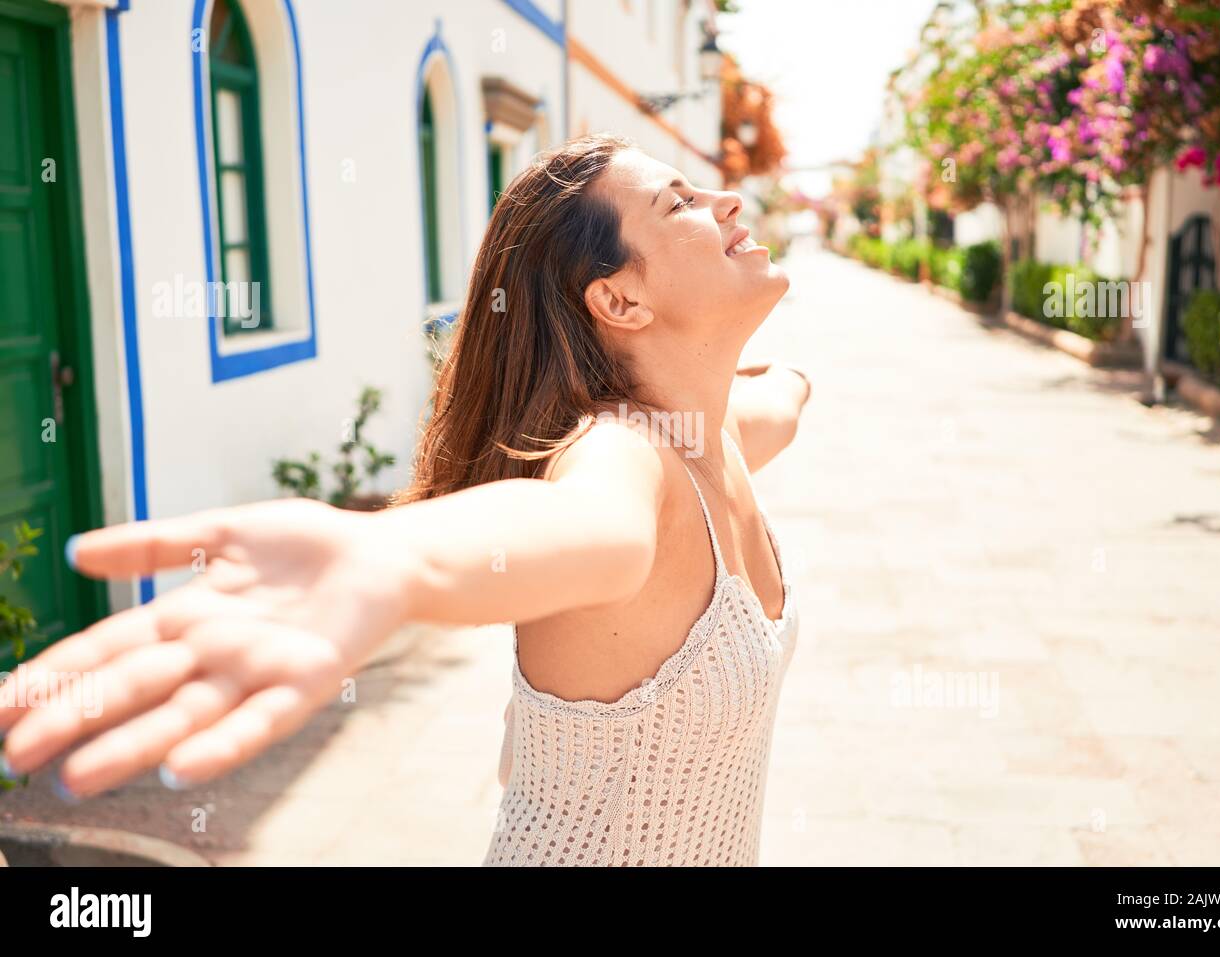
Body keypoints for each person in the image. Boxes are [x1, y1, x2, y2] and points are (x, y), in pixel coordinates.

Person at [0, 133, 812, 866]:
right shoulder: (625, 458)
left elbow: (786, 395)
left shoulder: (720, 429)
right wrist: (387, 555)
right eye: (680, 203)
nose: (726, 199)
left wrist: (801, 379)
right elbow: (591, 525)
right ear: (619, 300)